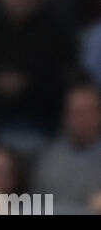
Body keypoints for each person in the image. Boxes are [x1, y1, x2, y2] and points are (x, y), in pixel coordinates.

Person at [30, 81, 101, 214]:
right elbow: (36, 205)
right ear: (66, 117)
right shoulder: (47, 159)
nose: (84, 119)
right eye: (77, 113)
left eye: (89, 111)